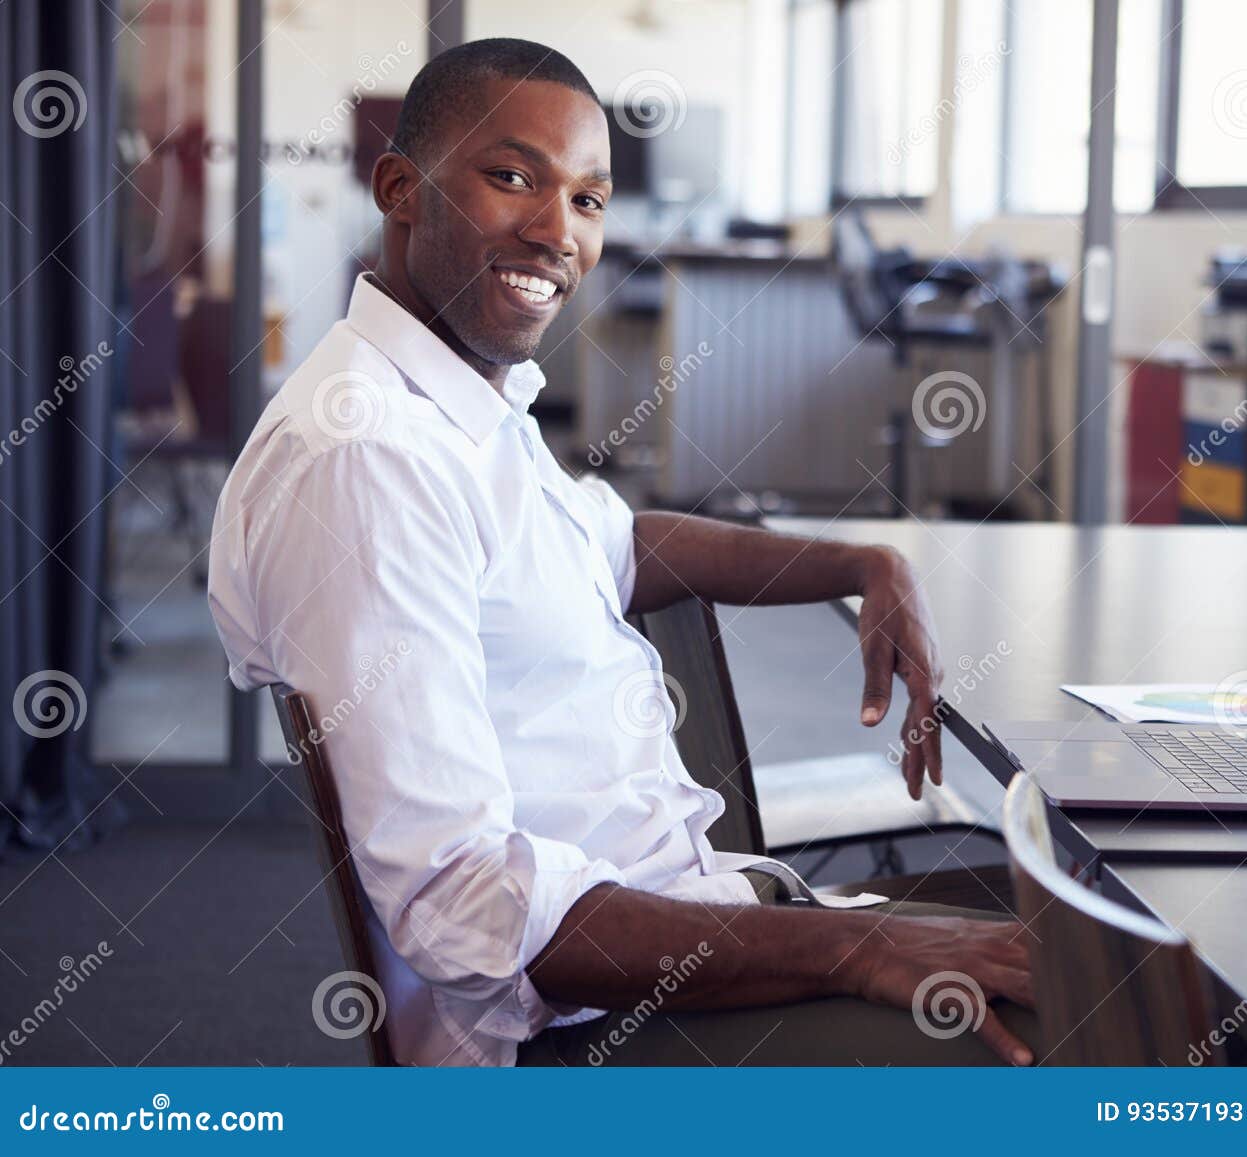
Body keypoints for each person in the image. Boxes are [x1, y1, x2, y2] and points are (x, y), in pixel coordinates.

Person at [209, 38, 1038, 1067]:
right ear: (400, 190)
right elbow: (465, 905)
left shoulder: (458, 400)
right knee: (1105, 1031)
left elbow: (612, 543)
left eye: (590, 199)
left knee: (1089, 973)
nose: (558, 231)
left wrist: (862, 563)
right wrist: (848, 942)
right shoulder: (367, 457)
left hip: (684, 921)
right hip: (588, 1030)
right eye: (513, 177)